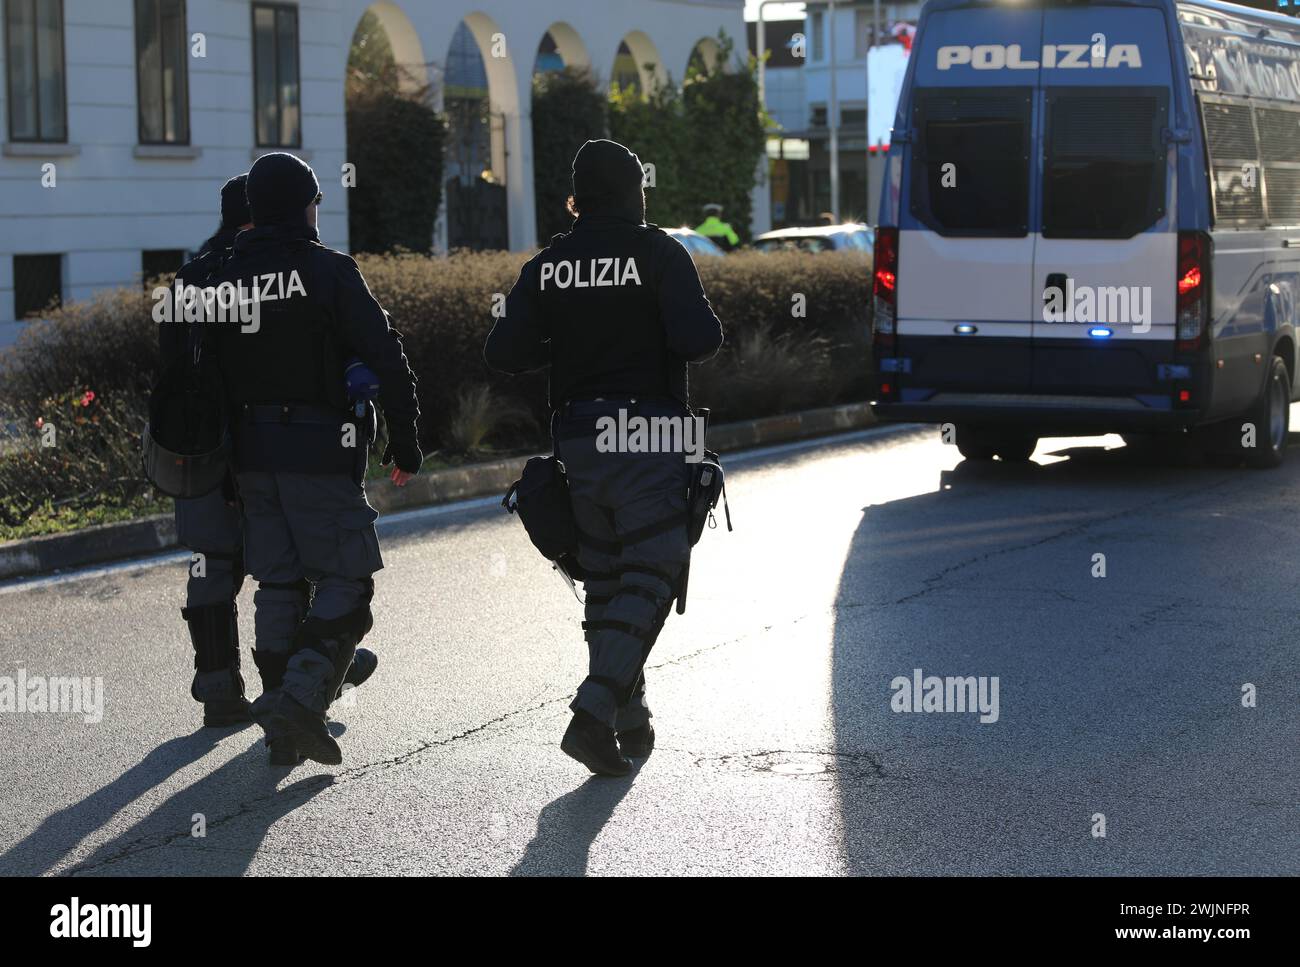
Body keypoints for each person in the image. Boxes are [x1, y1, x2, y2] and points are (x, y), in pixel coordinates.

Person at [484, 139, 724, 776]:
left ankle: (628, 716)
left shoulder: (549, 265)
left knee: (606, 575)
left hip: (579, 437)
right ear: (633, 194)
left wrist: (571, 336)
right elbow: (700, 341)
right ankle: (592, 713)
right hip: (648, 433)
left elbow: (504, 351)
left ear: (577, 198)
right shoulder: (659, 253)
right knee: (653, 569)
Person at [211, 152, 423, 766]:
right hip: (319, 450)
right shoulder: (328, 270)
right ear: (304, 205)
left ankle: (281, 714)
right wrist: (405, 442)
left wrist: (222, 467)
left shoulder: (223, 278)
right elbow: (387, 358)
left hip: (250, 455)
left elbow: (206, 377)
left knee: (278, 581)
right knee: (347, 582)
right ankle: (300, 704)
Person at [159, 174, 254, 729]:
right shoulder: (263, 268)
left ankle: (218, 685)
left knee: (209, 563)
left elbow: (170, 362)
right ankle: (310, 679)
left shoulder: (189, 275)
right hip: (261, 441)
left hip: (196, 446)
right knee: (288, 560)